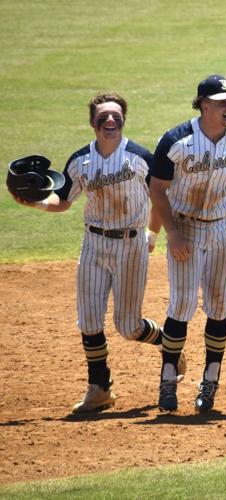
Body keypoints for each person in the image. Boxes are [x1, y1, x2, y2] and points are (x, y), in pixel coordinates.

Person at [12, 92, 171, 413]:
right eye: (103, 117)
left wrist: (153, 233)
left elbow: (160, 197)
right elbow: (65, 199)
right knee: (88, 321)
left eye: (115, 116)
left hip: (131, 246)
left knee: (129, 328)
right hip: (94, 246)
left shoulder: (141, 158)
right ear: (92, 123)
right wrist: (37, 202)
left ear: (123, 120)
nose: (109, 121)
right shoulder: (80, 161)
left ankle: (170, 345)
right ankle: (99, 388)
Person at [150, 74, 226, 413]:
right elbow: (157, 187)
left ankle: (209, 382)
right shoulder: (176, 141)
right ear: (204, 105)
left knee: (219, 305)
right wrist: (173, 232)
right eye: (223, 102)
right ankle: (168, 382)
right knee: (181, 305)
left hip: (222, 230)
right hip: (185, 228)